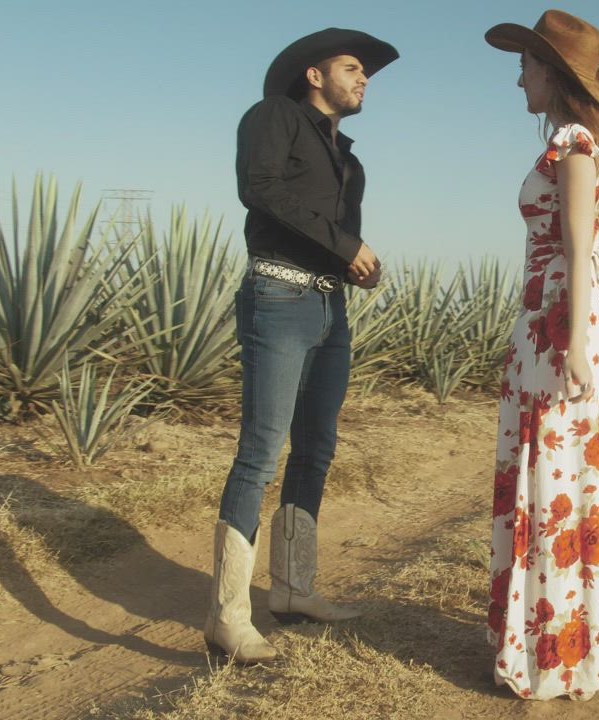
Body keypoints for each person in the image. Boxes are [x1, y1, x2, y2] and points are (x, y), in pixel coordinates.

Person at [203, 28, 398, 664]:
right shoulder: (274, 117)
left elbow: (338, 236)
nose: (363, 77)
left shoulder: (352, 160)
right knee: (260, 451)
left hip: (327, 306)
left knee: (315, 447)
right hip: (277, 298)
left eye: (365, 71)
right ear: (314, 75)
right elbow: (260, 188)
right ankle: (229, 618)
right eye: (351, 67)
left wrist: (356, 265)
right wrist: (347, 247)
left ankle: (291, 590)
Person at [483, 9, 599, 700]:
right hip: (557, 320)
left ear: (552, 73)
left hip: (563, 324)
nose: (519, 77)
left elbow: (577, 249)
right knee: (562, 473)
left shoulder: (574, 145)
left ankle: (555, 654)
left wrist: (574, 344)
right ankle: (559, 647)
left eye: (526, 65)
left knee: (557, 475)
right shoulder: (579, 144)